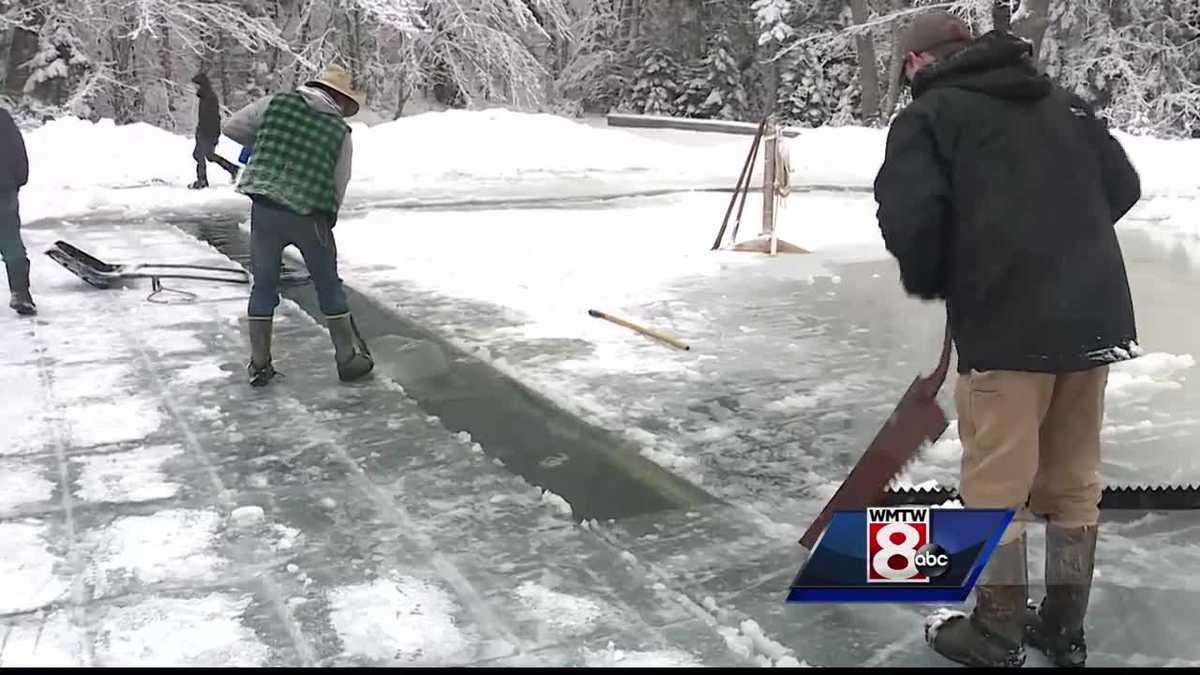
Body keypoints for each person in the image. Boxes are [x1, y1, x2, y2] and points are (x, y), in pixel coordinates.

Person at [873, 11, 1141, 669]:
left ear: (918, 64)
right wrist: (1056, 237)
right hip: (1093, 321)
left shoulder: (931, 116)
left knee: (997, 481)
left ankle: (996, 632)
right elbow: (1124, 186)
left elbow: (909, 218)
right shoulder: (1059, 103)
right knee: (1075, 478)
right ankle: (1061, 627)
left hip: (1008, 328)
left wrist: (947, 270)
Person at [222, 64, 373, 387]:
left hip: (265, 208)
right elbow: (338, 182)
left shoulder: (275, 103)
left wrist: (267, 141)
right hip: (309, 215)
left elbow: (231, 128)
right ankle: (347, 359)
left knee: (263, 285)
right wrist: (327, 217)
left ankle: (260, 364)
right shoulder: (338, 132)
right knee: (328, 285)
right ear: (338, 99)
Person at [0, 106, 35, 316]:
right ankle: (21, 293)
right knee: (11, 242)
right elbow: (17, 150)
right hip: (4, 191)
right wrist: (19, 180)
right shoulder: (2, 118)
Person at [189, 72, 240, 190]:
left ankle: (202, 181)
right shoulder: (205, 97)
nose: (194, 88)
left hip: (207, 132)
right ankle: (233, 169)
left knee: (199, 155)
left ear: (201, 85)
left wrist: (207, 133)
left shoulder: (209, 98)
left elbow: (212, 117)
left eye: (196, 85)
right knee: (209, 155)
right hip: (206, 131)